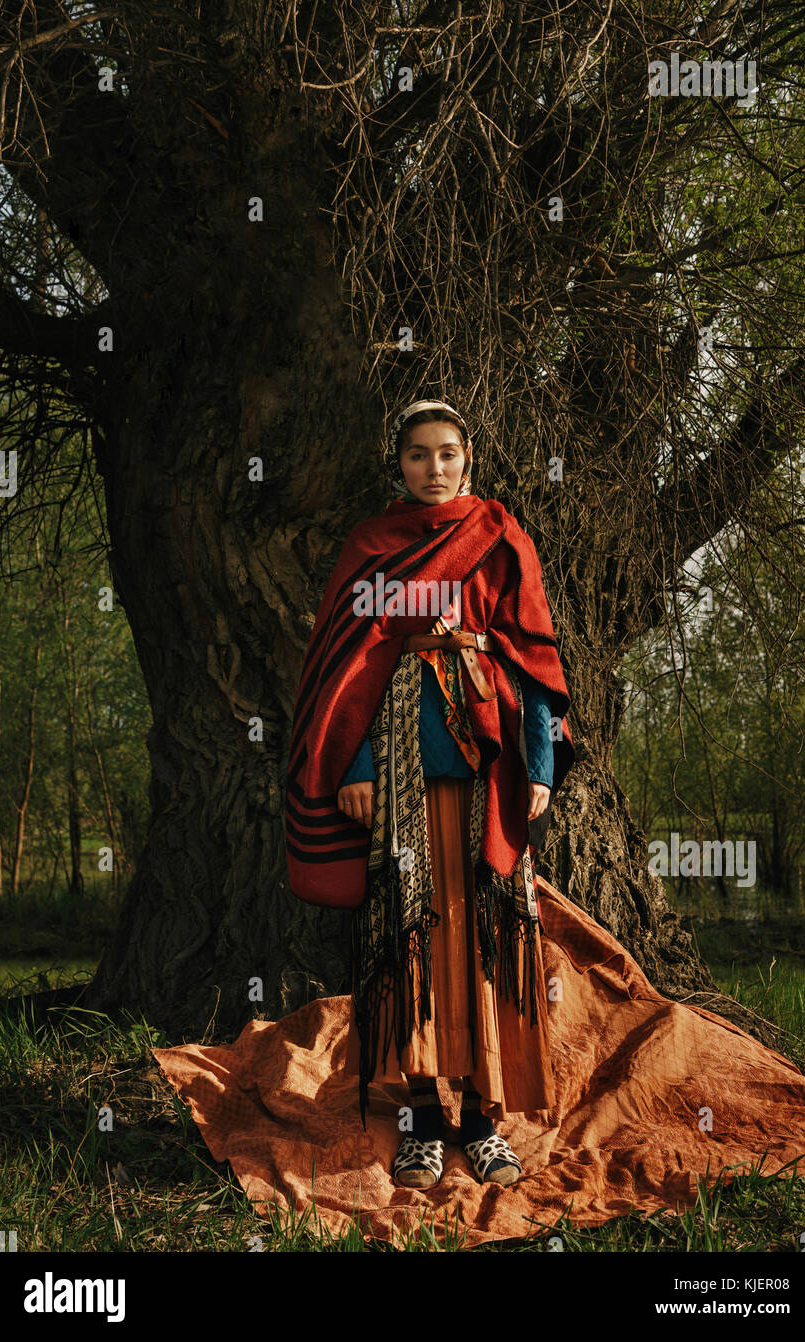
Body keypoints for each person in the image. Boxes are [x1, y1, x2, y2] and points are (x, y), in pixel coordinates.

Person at [286, 398, 575, 1190]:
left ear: (468, 455)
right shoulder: (371, 548)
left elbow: (533, 662)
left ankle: (481, 1122)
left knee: (483, 939)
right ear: (399, 464)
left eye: (447, 453)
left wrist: (541, 766)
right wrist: (354, 769)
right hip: (402, 774)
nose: (434, 468)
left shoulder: (501, 536)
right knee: (408, 941)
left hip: (489, 770)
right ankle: (416, 1122)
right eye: (418, 455)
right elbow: (347, 672)